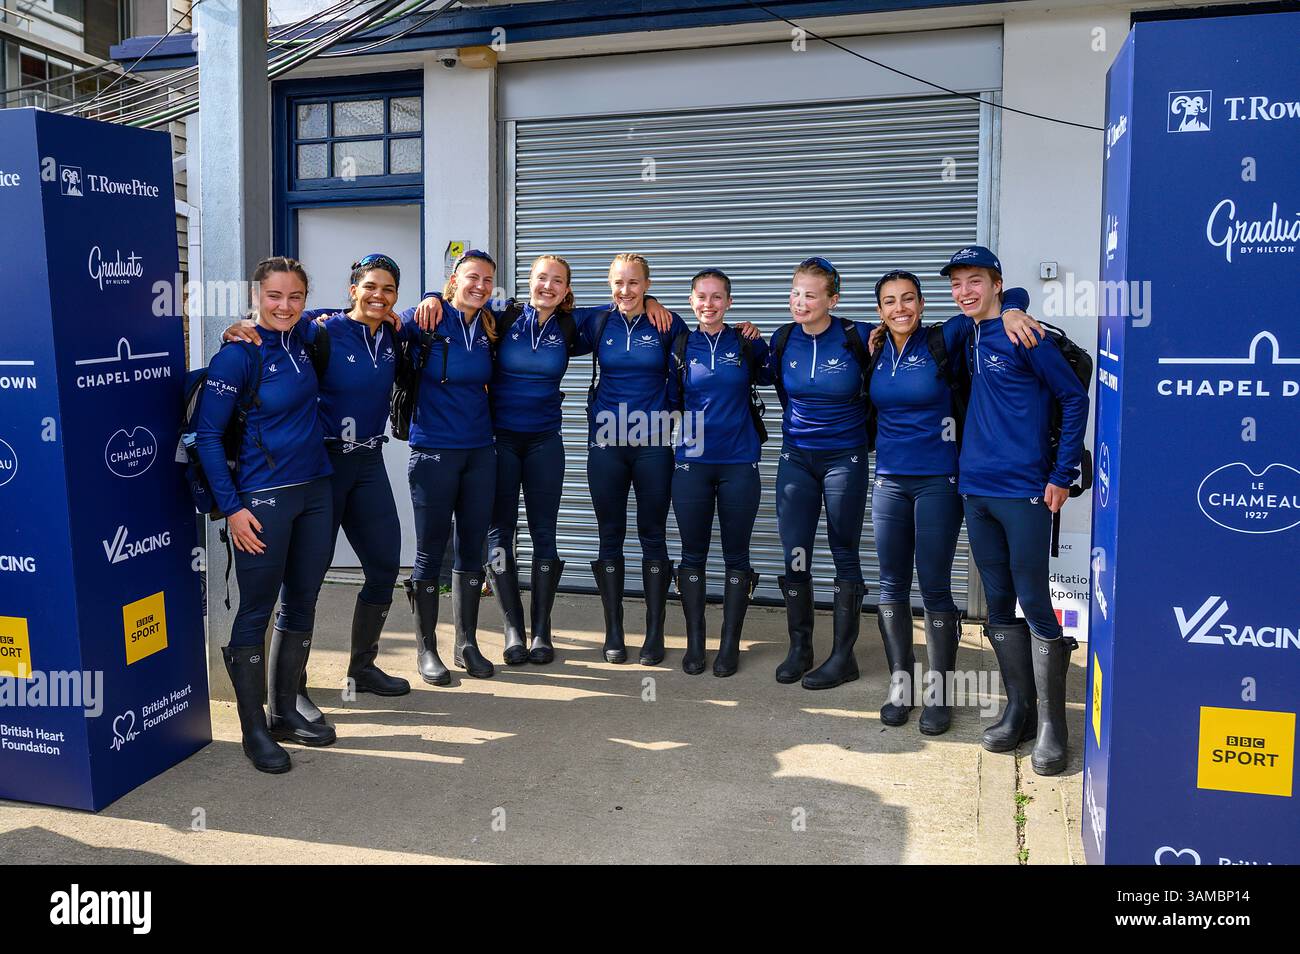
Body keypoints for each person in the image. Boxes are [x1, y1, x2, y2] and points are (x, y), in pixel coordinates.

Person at [409, 259, 676, 666]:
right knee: (500, 533)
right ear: (529, 282)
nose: (548, 286)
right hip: (498, 440)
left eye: (557, 281)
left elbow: (625, 304)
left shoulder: (577, 324)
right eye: (541, 278)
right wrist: (431, 294)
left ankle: (541, 632)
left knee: (544, 533)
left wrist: (652, 298)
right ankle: (513, 629)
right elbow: (459, 300)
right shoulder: (500, 315)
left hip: (544, 443)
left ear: (567, 289)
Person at [866, 269, 1039, 733]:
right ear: (879, 310)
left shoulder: (948, 335)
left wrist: (1016, 307)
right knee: (889, 586)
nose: (899, 308)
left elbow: (1003, 296)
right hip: (888, 482)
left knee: (935, 588)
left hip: (939, 481)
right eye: (889, 301)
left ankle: (939, 695)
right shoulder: (873, 345)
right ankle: (901, 685)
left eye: (907, 299)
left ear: (922, 304)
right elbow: (811, 323)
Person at [943, 246, 1088, 775]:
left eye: (975, 281)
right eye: (957, 283)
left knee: (1035, 599)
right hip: (975, 490)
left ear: (997, 282)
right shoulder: (968, 333)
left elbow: (1074, 399)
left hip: (1025, 489)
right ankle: (1019, 710)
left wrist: (1061, 475)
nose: (964, 292)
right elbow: (907, 323)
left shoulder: (1027, 334)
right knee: (998, 603)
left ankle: (1054, 726)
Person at [197, 256, 336, 774]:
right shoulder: (238, 355)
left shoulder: (304, 339)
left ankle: (284, 712)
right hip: (262, 500)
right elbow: (207, 436)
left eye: (294, 297)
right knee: (255, 609)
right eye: (274, 296)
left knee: (302, 599)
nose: (284, 305)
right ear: (256, 296)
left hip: (316, 490)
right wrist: (232, 509)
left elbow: (342, 313)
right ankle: (253, 730)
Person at [767, 257, 871, 689]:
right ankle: (800, 648)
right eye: (795, 292)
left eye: (811, 294)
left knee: (844, 549)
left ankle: (843, 656)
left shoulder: (858, 336)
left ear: (833, 299)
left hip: (844, 458)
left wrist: (1012, 303)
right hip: (796, 459)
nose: (800, 302)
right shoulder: (783, 337)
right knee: (796, 552)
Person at [399, 250, 499, 685]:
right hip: (433, 451)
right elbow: (368, 316)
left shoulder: (493, 323)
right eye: (472, 277)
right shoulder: (426, 317)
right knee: (429, 550)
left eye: (488, 280)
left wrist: (648, 303)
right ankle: (426, 650)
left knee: (472, 548)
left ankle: (466, 644)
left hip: (480, 452)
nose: (480, 285)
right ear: (454, 279)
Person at [669, 269, 770, 676]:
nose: (708, 304)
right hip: (691, 462)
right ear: (691, 301)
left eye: (716, 297)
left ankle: (729, 646)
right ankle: (696, 645)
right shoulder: (679, 345)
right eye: (701, 297)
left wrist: (759, 340)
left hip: (739, 461)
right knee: (692, 554)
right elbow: (667, 401)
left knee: (736, 555)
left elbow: (776, 376)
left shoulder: (745, 344)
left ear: (729, 302)